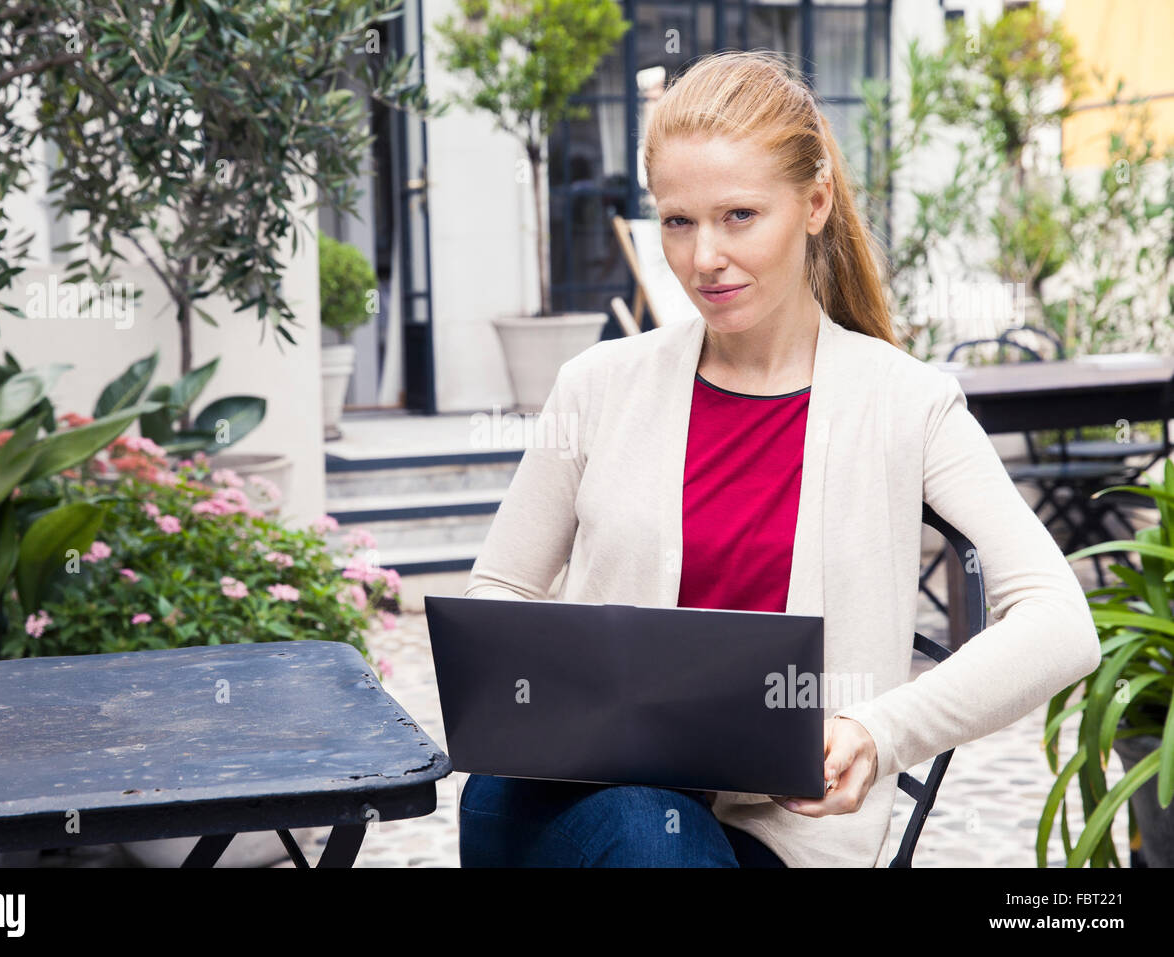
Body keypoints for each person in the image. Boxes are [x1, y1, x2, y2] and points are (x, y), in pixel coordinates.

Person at [457, 49, 1100, 867]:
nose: (702, 259)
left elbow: (1059, 619)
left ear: (816, 202)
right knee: (601, 815)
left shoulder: (907, 403)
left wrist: (878, 731)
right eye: (678, 221)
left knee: (654, 843)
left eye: (739, 216)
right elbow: (500, 590)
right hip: (575, 799)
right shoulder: (598, 384)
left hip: (775, 831)